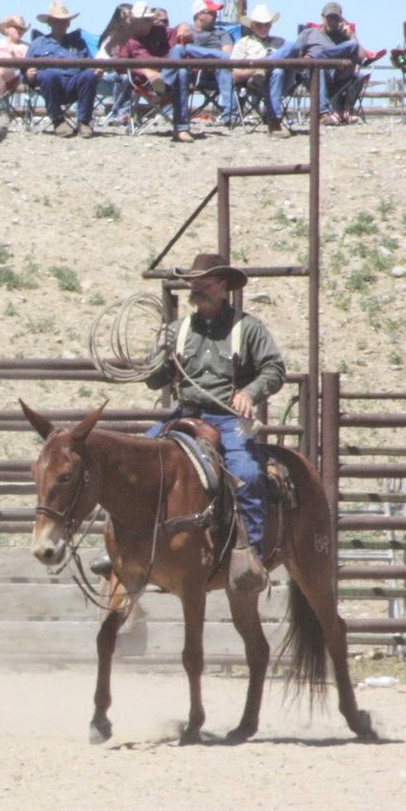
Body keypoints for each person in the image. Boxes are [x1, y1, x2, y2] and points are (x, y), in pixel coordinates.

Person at [139, 254, 284, 593]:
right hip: (185, 414)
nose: (197, 288)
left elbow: (274, 370)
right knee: (138, 459)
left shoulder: (247, 328)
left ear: (223, 286)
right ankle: (128, 549)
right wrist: (156, 361)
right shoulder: (178, 330)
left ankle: (251, 558)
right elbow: (154, 380)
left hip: (228, 419)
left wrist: (249, 392)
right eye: (194, 282)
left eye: (205, 282)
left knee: (246, 476)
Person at [266, 1, 384, 129]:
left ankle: (317, 58)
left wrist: (351, 35)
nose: (332, 21)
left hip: (338, 76)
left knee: (352, 46)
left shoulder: (344, 37)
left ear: (341, 19)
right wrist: (306, 61)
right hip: (311, 74)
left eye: (335, 18)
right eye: (329, 18)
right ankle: (322, 113)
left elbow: (362, 58)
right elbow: (295, 55)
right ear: (322, 17)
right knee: (319, 67)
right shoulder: (308, 33)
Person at [110, 1, 196, 143]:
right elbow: (120, 65)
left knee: (181, 64)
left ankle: (165, 85)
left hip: (167, 78)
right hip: (145, 83)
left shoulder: (160, 31)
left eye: (150, 19)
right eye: (144, 20)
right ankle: (181, 128)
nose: (148, 23)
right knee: (182, 73)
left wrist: (183, 25)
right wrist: (145, 71)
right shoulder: (123, 37)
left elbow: (177, 31)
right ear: (132, 20)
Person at [24, 0, 99, 137]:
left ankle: (84, 122)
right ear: (49, 23)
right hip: (50, 85)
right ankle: (58, 121)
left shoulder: (79, 42)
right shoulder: (38, 43)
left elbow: (89, 64)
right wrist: (28, 76)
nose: (61, 24)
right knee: (47, 75)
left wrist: (96, 71)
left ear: (69, 23)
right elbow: (24, 71)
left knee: (89, 75)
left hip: (74, 83)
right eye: (57, 21)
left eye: (64, 21)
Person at [168, 0, 237, 127]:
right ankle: (173, 112)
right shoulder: (185, 30)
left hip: (215, 71)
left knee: (223, 64)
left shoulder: (222, 34)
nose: (215, 15)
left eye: (215, 12)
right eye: (211, 13)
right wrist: (182, 25)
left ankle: (230, 115)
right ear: (199, 15)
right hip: (191, 73)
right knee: (182, 49)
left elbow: (227, 55)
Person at [229, 3, 285, 131]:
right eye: (259, 24)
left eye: (266, 24)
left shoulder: (280, 42)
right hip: (253, 83)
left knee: (289, 50)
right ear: (252, 26)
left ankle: (265, 69)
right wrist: (257, 68)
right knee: (277, 71)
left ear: (271, 25)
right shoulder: (243, 43)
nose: (263, 27)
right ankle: (274, 119)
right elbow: (236, 75)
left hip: (281, 82)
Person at [0, 14, 29, 100]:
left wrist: (13, 55)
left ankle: (3, 104)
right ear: (7, 29)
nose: (19, 31)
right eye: (16, 28)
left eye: (21, 29)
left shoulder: (25, 46)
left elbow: (25, 67)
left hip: (15, 74)